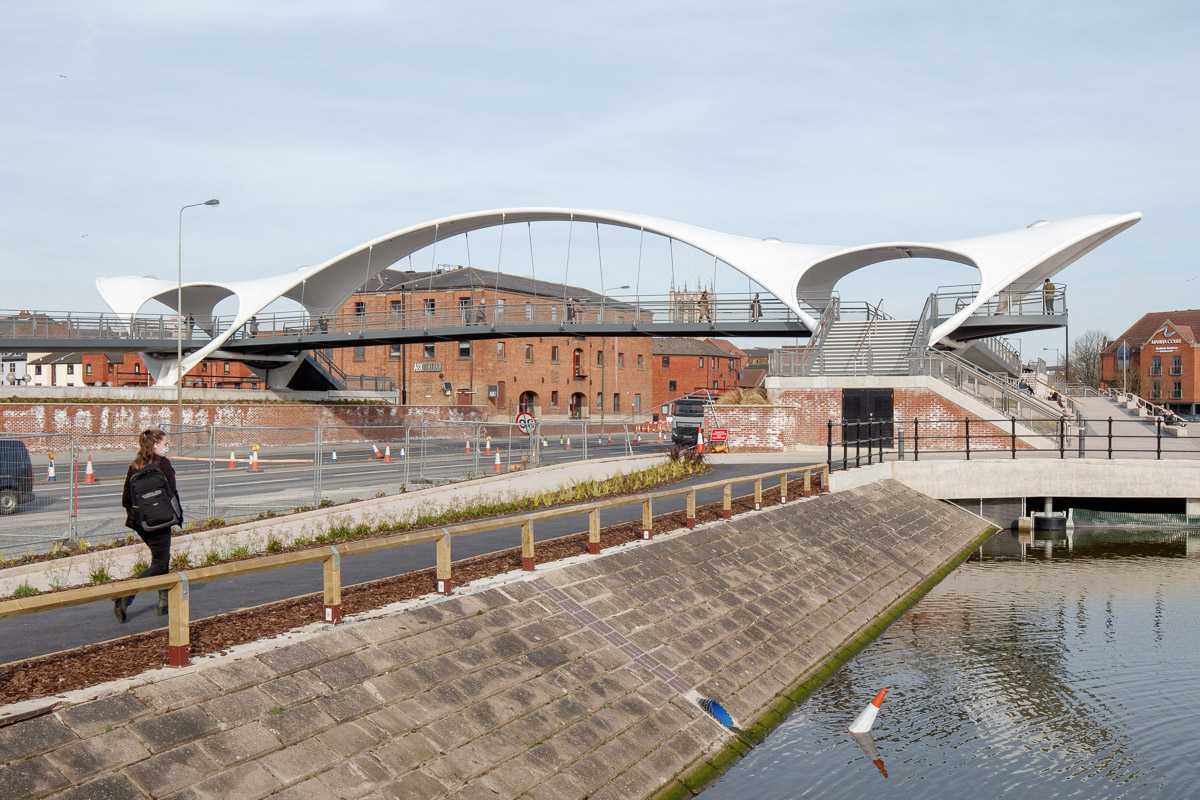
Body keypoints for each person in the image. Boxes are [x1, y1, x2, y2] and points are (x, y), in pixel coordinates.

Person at [116, 429, 180, 622]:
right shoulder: (164, 465)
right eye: (164, 444)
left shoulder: (135, 466)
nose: (166, 447)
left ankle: (163, 603)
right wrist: (177, 516)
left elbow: (126, 498)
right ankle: (126, 596)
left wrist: (139, 516)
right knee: (160, 562)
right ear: (155, 445)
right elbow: (173, 493)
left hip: (142, 522)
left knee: (162, 558)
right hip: (161, 520)